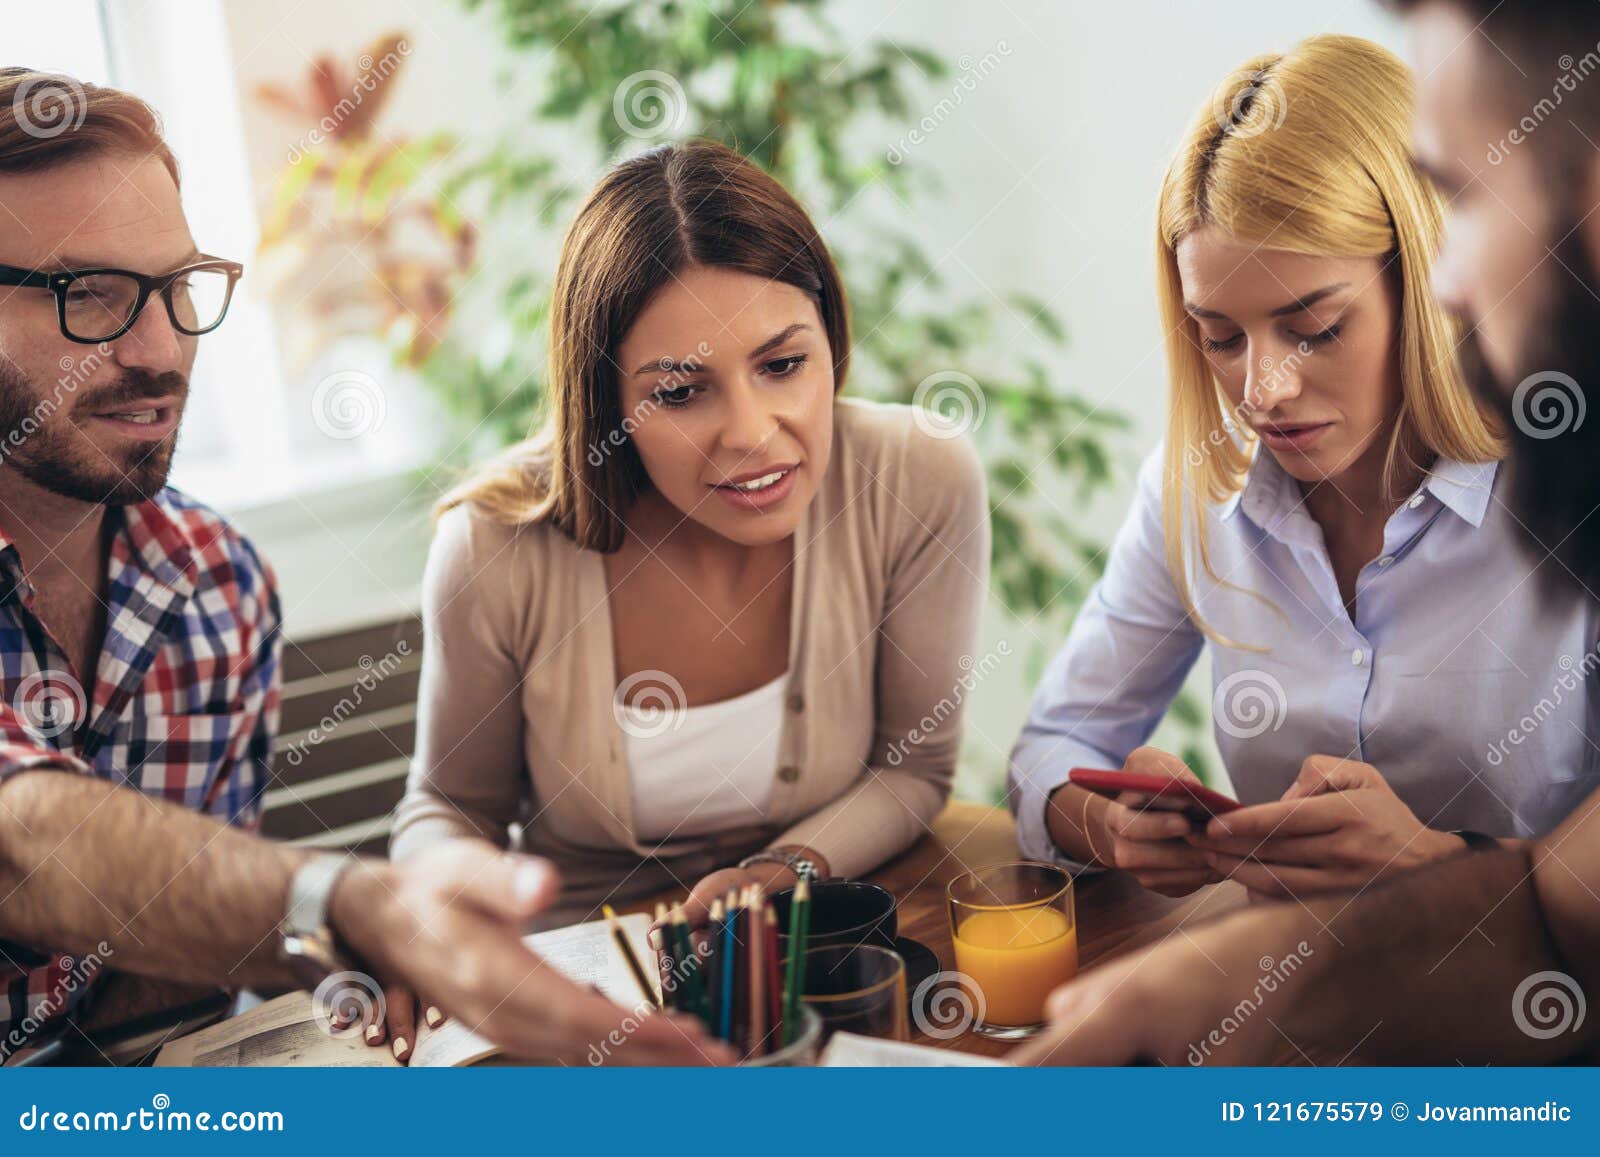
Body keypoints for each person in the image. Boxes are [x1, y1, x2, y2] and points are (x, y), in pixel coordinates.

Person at [0, 68, 725, 1067]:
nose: (161, 348)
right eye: (90, 295)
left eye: (176, 288)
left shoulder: (212, 584)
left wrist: (320, 942)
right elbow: (19, 832)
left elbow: (155, 971)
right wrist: (343, 907)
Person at [1016, 1, 1600, 1064]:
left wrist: (1434, 860)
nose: (1264, 389)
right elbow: (1053, 747)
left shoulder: (1565, 476)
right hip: (1288, 1018)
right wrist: (1104, 823)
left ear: (1421, 271)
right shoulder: (1196, 493)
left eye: (1315, 327)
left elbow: (1576, 916)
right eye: (1219, 338)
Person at [384, 138, 990, 1057]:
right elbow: (445, 806)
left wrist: (781, 870)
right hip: (586, 1003)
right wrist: (432, 905)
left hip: (833, 964)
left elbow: (913, 770)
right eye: (681, 391)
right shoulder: (495, 547)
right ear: (605, 399)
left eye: (784, 365)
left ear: (832, 340)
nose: (752, 435)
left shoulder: (917, 476)